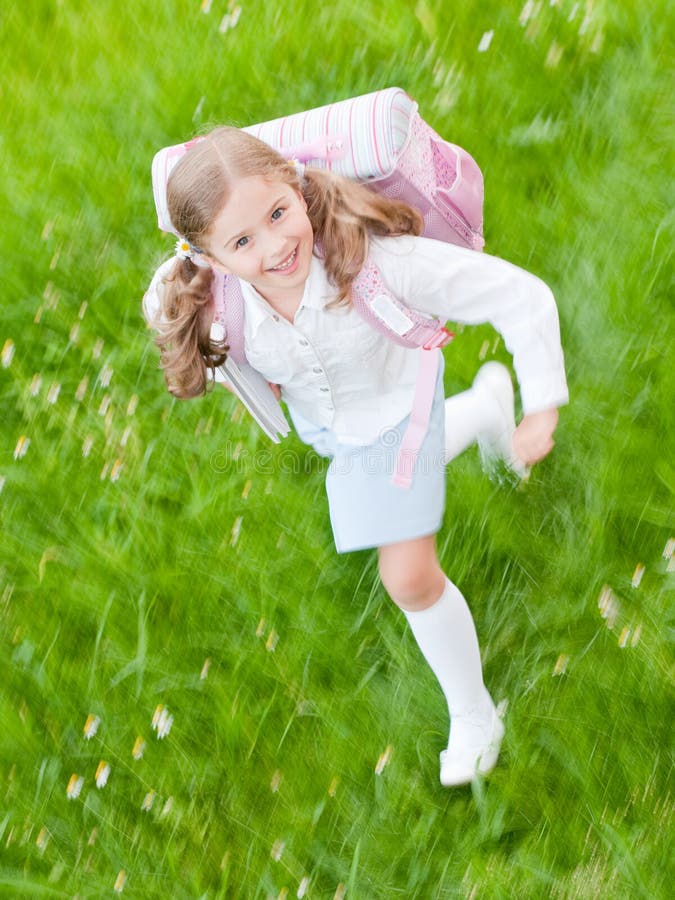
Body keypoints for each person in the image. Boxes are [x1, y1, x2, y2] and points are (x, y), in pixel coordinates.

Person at [142, 126, 568, 787]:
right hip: (332, 431)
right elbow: (173, 309)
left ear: (297, 184)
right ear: (209, 257)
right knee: (395, 494)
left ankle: (474, 712)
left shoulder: (376, 262)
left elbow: (519, 295)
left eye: (279, 214)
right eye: (242, 241)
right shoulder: (214, 302)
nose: (276, 246)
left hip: (403, 408)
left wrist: (543, 402)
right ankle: (486, 408)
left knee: (407, 579)